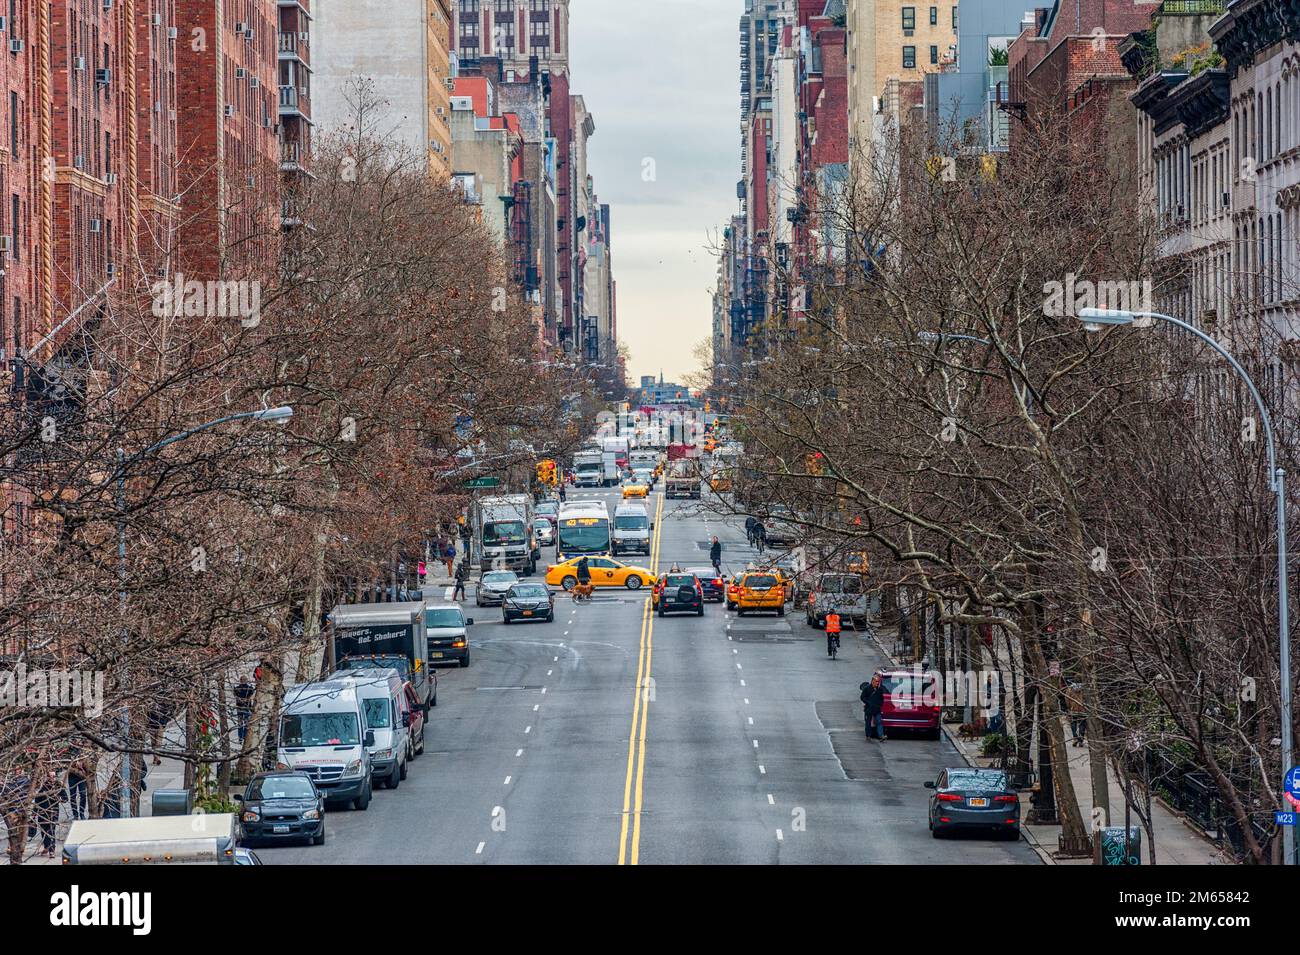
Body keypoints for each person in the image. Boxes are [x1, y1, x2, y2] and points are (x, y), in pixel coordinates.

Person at [860, 674, 887, 741]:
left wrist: (879, 705)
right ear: (872, 681)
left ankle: (881, 736)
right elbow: (862, 697)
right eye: (876, 681)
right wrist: (868, 703)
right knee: (868, 722)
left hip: (877, 709)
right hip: (869, 709)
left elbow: (881, 698)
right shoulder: (867, 688)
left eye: (878, 682)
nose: (877, 683)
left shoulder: (880, 690)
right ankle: (868, 736)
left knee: (879, 722)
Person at [234, 676, 254, 744]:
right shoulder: (250, 688)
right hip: (246, 707)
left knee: (241, 724)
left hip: (240, 708)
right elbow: (250, 697)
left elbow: (236, 696)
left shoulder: (237, 688)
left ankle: (241, 738)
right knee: (245, 723)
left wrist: (241, 700)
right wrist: (246, 700)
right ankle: (244, 737)